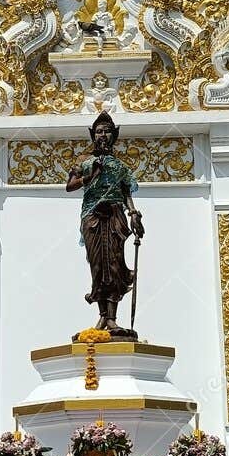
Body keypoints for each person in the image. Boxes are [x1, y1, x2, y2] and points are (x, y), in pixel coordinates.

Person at [65, 110, 144, 337]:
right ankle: (102, 315)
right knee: (98, 265)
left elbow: (126, 192)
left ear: (114, 136)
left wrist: (134, 213)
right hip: (92, 218)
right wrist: (92, 176)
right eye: (99, 131)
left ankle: (112, 319)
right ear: (93, 135)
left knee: (115, 265)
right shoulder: (84, 162)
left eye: (107, 131)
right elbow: (70, 186)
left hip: (115, 216)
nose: (103, 135)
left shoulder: (120, 166)